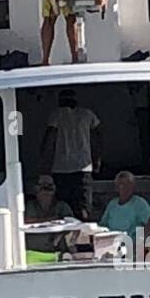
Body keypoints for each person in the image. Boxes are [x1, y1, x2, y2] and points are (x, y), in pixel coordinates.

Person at [40, 88, 101, 221]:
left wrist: (44, 165)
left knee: (63, 207)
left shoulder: (56, 115)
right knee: (83, 207)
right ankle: (83, 236)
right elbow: (96, 139)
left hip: (60, 168)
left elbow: (50, 140)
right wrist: (97, 161)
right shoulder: (88, 114)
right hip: (83, 167)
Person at [99, 171, 150, 255]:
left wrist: (141, 239)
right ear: (116, 188)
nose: (124, 187)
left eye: (128, 184)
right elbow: (103, 225)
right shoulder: (112, 204)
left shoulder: (138, 203)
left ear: (133, 187)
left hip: (131, 247)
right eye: (121, 184)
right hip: (111, 247)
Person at [24, 173, 75, 255]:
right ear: (35, 188)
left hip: (58, 252)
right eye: (43, 185)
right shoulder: (28, 206)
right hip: (32, 252)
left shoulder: (62, 206)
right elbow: (25, 221)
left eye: (50, 185)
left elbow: (72, 224)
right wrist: (52, 219)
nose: (46, 188)